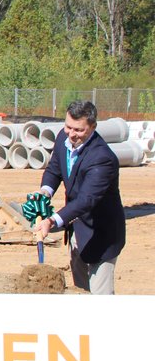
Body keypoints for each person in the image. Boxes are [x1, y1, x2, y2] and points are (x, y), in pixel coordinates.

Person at [34, 101, 125, 294]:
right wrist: (45, 192)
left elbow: (86, 200)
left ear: (92, 127)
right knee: (80, 292)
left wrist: (52, 220)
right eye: (68, 127)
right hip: (77, 230)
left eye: (79, 130)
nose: (72, 133)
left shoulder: (102, 158)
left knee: (100, 297)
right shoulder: (63, 138)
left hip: (101, 235)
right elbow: (55, 169)